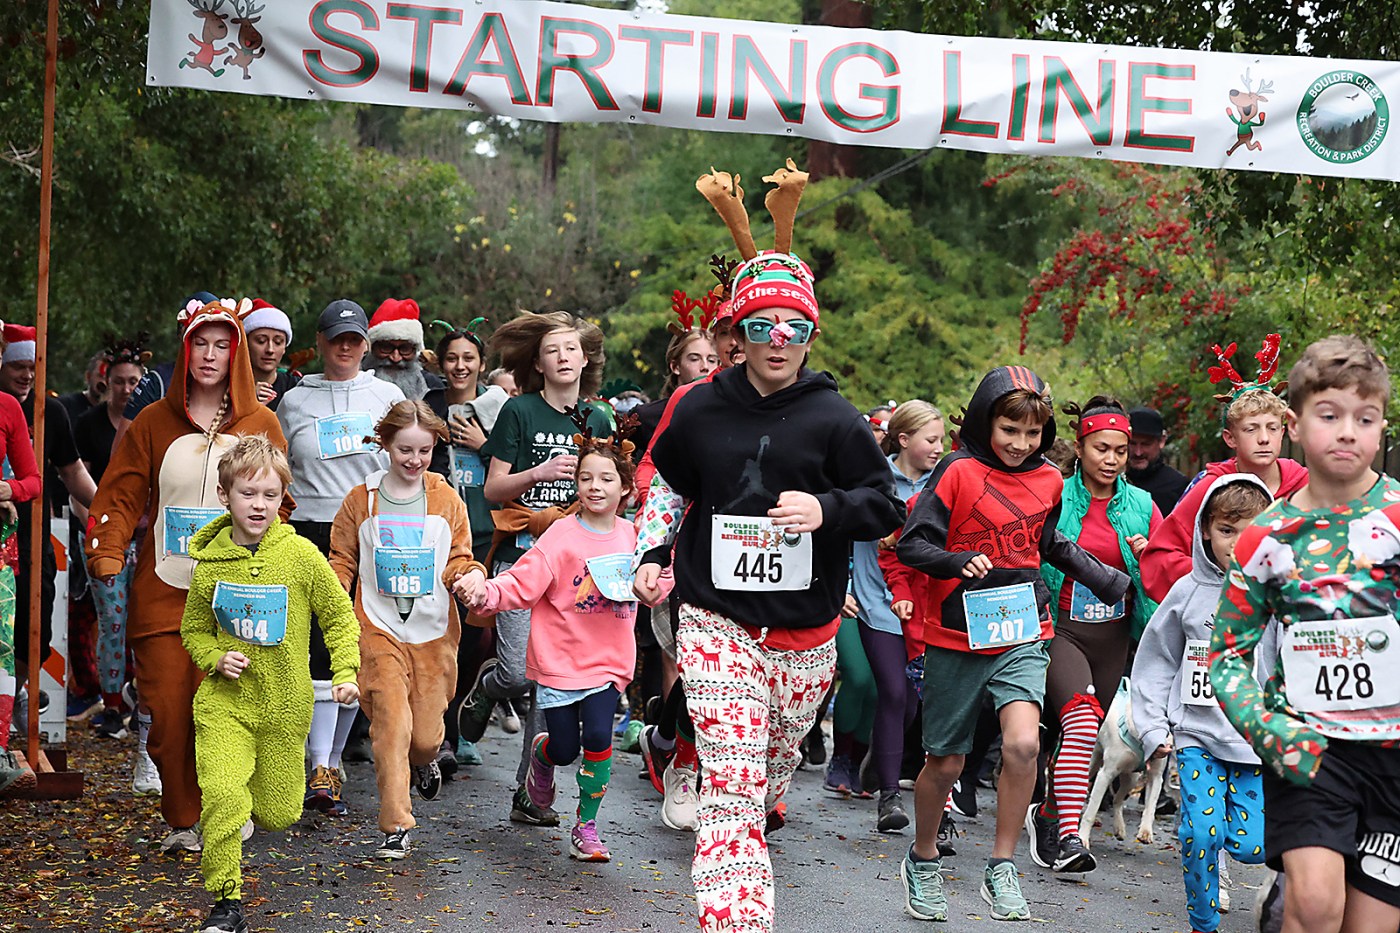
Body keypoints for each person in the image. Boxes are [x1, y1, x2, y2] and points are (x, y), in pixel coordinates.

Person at [633, 160, 906, 933]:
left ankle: (701, 762)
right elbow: (668, 488)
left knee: (764, 778)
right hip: (717, 621)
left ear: (810, 334)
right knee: (731, 787)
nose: (777, 339)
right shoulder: (697, 411)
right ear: (737, 332)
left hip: (806, 636)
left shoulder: (836, 418)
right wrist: (653, 557)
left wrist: (824, 509)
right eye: (761, 325)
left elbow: (885, 504)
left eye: (793, 327)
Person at [894, 366, 1129, 923]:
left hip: (1024, 628)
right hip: (956, 632)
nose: (1021, 445)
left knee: (1024, 745)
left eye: (1032, 434)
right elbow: (912, 545)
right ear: (984, 421)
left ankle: (1002, 867)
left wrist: (1104, 578)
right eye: (1009, 430)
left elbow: (1046, 540)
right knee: (946, 762)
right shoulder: (956, 471)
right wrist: (955, 562)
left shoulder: (1048, 479)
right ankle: (923, 858)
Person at [86, 297, 290, 852]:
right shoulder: (151, 423)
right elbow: (121, 493)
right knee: (171, 718)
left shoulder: (261, 423)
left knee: (227, 717)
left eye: (222, 345)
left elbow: (281, 505)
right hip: (163, 596)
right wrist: (107, 548)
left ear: (237, 354)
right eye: (200, 343)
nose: (209, 354)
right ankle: (182, 817)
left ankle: (227, 808)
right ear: (185, 348)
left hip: (238, 601)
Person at [1212, 335, 1400, 933]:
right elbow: (1227, 658)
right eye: (1329, 415)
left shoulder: (1397, 517)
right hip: (1309, 750)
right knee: (1317, 907)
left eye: (1364, 418)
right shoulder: (1267, 536)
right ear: (1295, 425)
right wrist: (1270, 731)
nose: (1348, 431)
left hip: (1393, 759)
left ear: (1382, 429)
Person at [458, 422, 667, 862]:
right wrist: (487, 592)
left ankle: (586, 827)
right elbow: (523, 581)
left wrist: (666, 583)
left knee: (597, 739)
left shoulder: (635, 539)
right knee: (565, 749)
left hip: (608, 663)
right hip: (559, 661)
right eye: (586, 478)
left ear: (626, 489)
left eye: (607, 479)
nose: (595, 487)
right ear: (575, 484)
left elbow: (660, 578)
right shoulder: (561, 536)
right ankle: (542, 754)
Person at [181, 435, 360, 933]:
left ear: (283, 498)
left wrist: (345, 671)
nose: (258, 505)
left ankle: (246, 812)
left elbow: (339, 617)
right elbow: (193, 629)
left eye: (269, 495)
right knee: (221, 792)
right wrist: (215, 656)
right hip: (225, 704)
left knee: (279, 813)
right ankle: (226, 902)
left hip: (285, 704)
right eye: (247, 493)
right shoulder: (209, 564)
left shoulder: (301, 556)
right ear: (224, 495)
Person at [456, 310, 612, 826]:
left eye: (572, 348)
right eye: (552, 350)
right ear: (538, 363)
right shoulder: (520, 412)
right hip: (521, 551)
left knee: (547, 681)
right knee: (519, 673)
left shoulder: (600, 419)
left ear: (585, 357)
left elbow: (613, 491)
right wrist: (542, 471)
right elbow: (494, 488)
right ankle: (487, 688)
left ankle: (529, 794)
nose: (563, 357)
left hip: (577, 565)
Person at [328, 401, 484, 859]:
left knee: (424, 739)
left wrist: (468, 576)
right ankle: (396, 823)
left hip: (433, 631)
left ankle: (425, 762)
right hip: (377, 626)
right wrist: (335, 593)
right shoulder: (362, 499)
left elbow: (459, 556)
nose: (414, 460)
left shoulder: (446, 499)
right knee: (392, 725)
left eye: (424, 451)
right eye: (404, 450)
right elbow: (342, 559)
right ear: (386, 445)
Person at [1024, 397, 1162, 875]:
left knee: (1076, 735)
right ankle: (1068, 836)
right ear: (1079, 447)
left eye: (1120, 451)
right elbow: (1029, 556)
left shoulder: (1143, 505)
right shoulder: (1053, 495)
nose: (1111, 459)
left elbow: (1166, 574)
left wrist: (1148, 559)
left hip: (1114, 636)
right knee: (1082, 723)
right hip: (1061, 630)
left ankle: (1045, 813)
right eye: (1101, 448)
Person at [277, 299, 404, 815]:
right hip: (309, 527)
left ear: (365, 343)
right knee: (313, 644)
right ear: (321, 342)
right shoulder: (295, 400)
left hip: (370, 527)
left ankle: (331, 758)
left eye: (354, 339)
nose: (345, 348)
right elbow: (278, 466)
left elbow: (408, 460)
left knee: (357, 639)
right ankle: (317, 765)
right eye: (337, 339)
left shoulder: (386, 394)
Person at [1132, 474, 1271, 933]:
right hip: (1195, 737)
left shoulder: (1279, 597)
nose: (1236, 543)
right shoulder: (1187, 592)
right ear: (1206, 530)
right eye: (1227, 530)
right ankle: (1203, 922)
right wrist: (1153, 728)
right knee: (1199, 834)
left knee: (1252, 846)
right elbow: (1155, 661)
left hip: (1253, 744)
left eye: (1250, 530)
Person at [1141, 335, 1307, 603]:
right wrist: (1214, 580)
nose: (1264, 438)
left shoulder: (1305, 486)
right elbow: (1159, 557)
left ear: (1283, 432)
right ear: (1230, 438)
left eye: (1272, 428)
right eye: (1251, 429)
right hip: (1221, 617)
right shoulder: (1211, 487)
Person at [842, 400, 944, 833]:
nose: (940, 447)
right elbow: (842, 532)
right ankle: (889, 796)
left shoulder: (945, 484)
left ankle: (875, 760)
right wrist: (843, 588)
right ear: (903, 440)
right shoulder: (874, 476)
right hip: (875, 603)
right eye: (931, 439)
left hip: (925, 610)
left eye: (943, 439)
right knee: (894, 692)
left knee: (911, 707)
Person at [1, 324, 98, 734]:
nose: (27, 376)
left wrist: (109, 514)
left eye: (33, 368)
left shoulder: (50, 412)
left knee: (33, 627)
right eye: (18, 367)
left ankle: (15, 689)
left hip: (32, 538)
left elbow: (72, 472)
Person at [424, 320, 509, 773]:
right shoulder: (429, 405)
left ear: (481, 364)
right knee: (439, 634)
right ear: (440, 361)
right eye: (452, 358)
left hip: (483, 535)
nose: (460, 366)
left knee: (475, 640)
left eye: (468, 358)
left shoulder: (496, 409)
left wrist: (483, 442)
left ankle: (461, 728)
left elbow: (513, 458)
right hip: (435, 535)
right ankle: (439, 736)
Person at [78, 334, 152, 742]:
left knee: (146, 620)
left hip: (147, 535)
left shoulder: (153, 419)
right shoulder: (90, 425)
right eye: (120, 381)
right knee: (113, 620)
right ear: (107, 382)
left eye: (134, 382)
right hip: (106, 533)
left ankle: (142, 697)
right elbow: (76, 478)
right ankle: (111, 705)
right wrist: (98, 522)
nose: (127, 389)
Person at [0, 325, 42, 792]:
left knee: (2, 648)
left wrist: (8, 488)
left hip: (0, 551)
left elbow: (31, 480)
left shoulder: (9, 407)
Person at [366, 298, 442, 400]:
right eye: (386, 347)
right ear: (372, 348)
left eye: (405, 349)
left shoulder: (434, 389)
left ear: (416, 351)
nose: (395, 358)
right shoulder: (351, 385)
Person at [1126, 407, 1189, 515]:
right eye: (1132, 443)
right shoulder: (1111, 483)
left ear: (1162, 441)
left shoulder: (1179, 487)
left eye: (1146, 444)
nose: (1138, 452)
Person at [242, 299, 301, 411]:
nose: (270, 349)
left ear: (284, 347)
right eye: (261, 341)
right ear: (246, 344)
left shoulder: (297, 387)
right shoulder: (229, 389)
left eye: (278, 342)